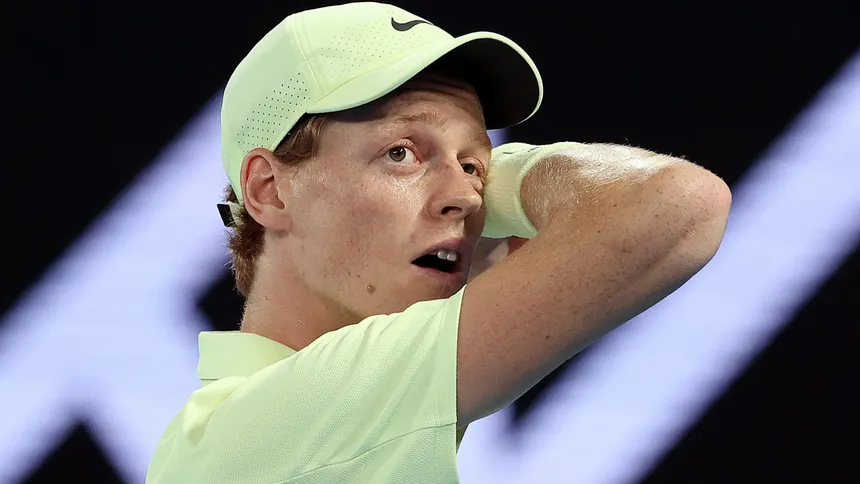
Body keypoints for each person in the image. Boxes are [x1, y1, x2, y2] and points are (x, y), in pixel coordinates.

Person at [145, 2, 731, 483]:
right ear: (269, 190)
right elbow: (677, 206)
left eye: (477, 165)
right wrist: (512, 176)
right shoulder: (278, 425)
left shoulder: (249, 435)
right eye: (400, 153)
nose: (469, 199)